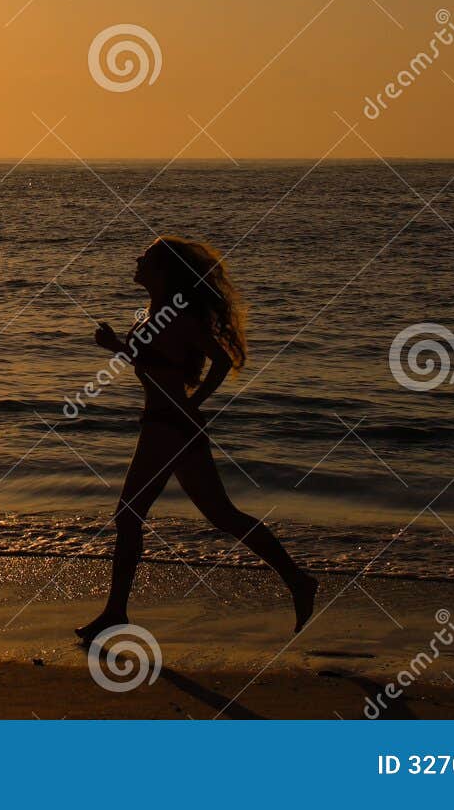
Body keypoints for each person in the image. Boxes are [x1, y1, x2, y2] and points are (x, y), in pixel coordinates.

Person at [75, 237, 318, 643]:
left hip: (170, 424)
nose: (137, 260)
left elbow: (222, 359)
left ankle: (116, 613)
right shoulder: (156, 313)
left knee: (129, 514)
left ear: (164, 271)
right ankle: (297, 579)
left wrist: (194, 403)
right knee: (221, 515)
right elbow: (154, 360)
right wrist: (117, 344)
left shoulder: (178, 314)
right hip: (166, 424)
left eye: (147, 258)